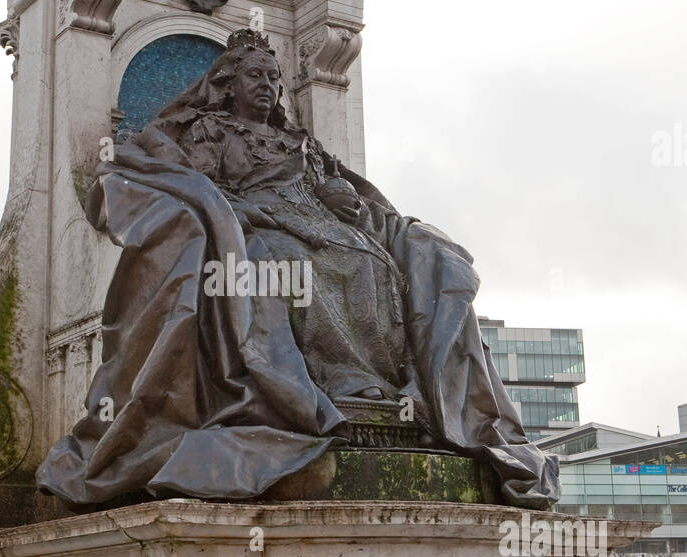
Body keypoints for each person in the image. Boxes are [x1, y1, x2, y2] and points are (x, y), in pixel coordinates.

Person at [38, 31, 560, 510]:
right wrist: (234, 209)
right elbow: (193, 186)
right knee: (289, 264)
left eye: (272, 78)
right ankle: (310, 394)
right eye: (254, 77)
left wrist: (341, 199)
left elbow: (338, 189)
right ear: (228, 84)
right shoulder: (210, 131)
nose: (266, 87)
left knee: (368, 261)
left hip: (317, 219)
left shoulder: (300, 143)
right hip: (253, 223)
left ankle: (362, 388)